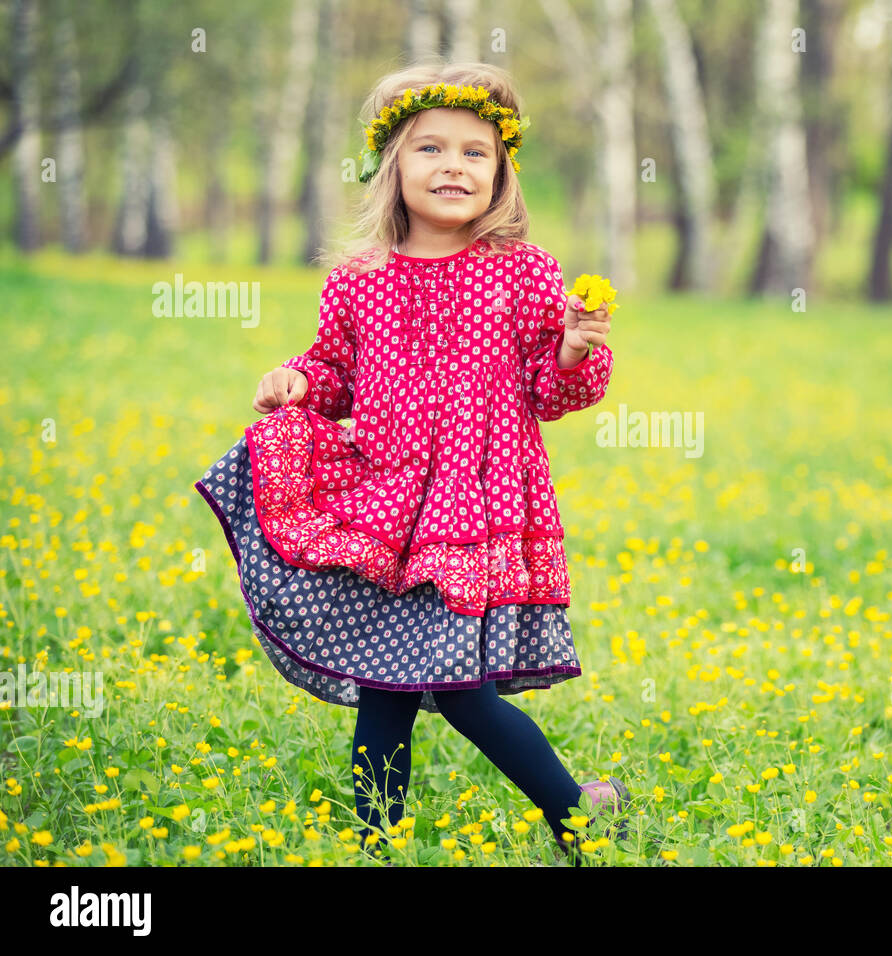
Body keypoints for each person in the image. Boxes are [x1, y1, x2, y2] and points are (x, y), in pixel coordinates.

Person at [193, 61, 628, 865]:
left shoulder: (523, 270)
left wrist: (571, 347)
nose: (453, 166)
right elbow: (332, 372)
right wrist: (296, 380)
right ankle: (378, 845)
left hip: (478, 506)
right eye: (431, 148)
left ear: (501, 173)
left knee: (460, 687)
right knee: (387, 684)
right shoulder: (358, 279)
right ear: (391, 165)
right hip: (386, 506)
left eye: (475, 152)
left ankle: (579, 814)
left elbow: (553, 390)